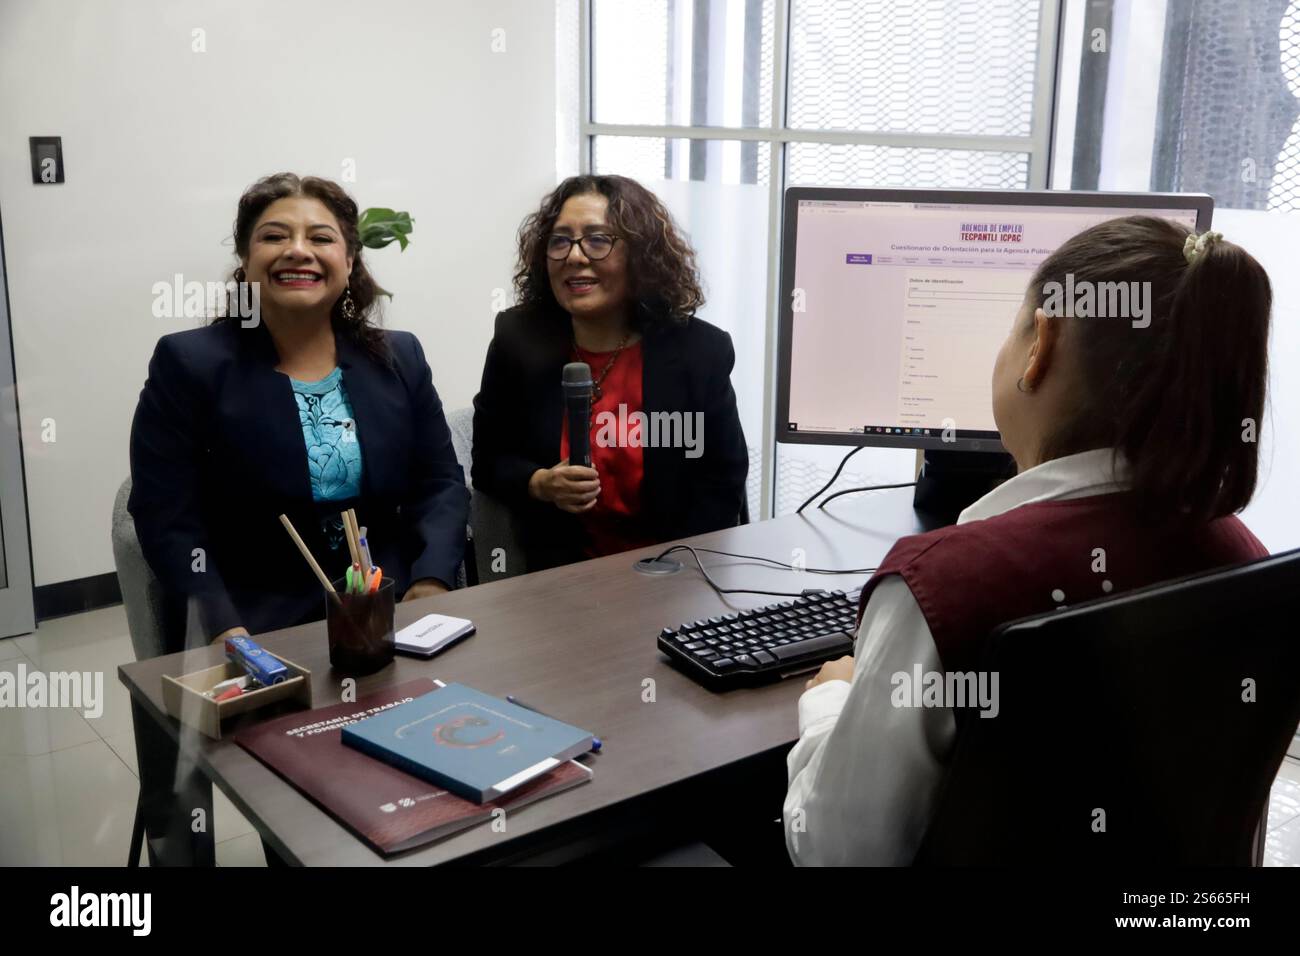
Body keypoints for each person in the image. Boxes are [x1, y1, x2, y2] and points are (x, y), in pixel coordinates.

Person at [784, 216, 1272, 864]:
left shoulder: (945, 585)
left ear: (1042, 343)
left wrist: (829, 702)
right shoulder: (1243, 557)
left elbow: (840, 851)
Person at [129, 173, 468, 652]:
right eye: (274, 236)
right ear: (246, 265)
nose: (297, 250)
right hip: (258, 622)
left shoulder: (398, 357)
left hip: (391, 607)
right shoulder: (190, 365)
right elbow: (166, 514)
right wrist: (225, 627)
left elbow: (440, 484)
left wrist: (430, 583)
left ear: (349, 263)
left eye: (320, 238)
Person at [472, 175, 748, 571]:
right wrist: (539, 483)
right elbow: (487, 460)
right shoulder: (518, 340)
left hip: (673, 574)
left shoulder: (699, 352)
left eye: (598, 240)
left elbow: (722, 482)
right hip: (561, 579)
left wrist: (680, 578)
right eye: (560, 240)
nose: (575, 256)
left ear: (640, 256)